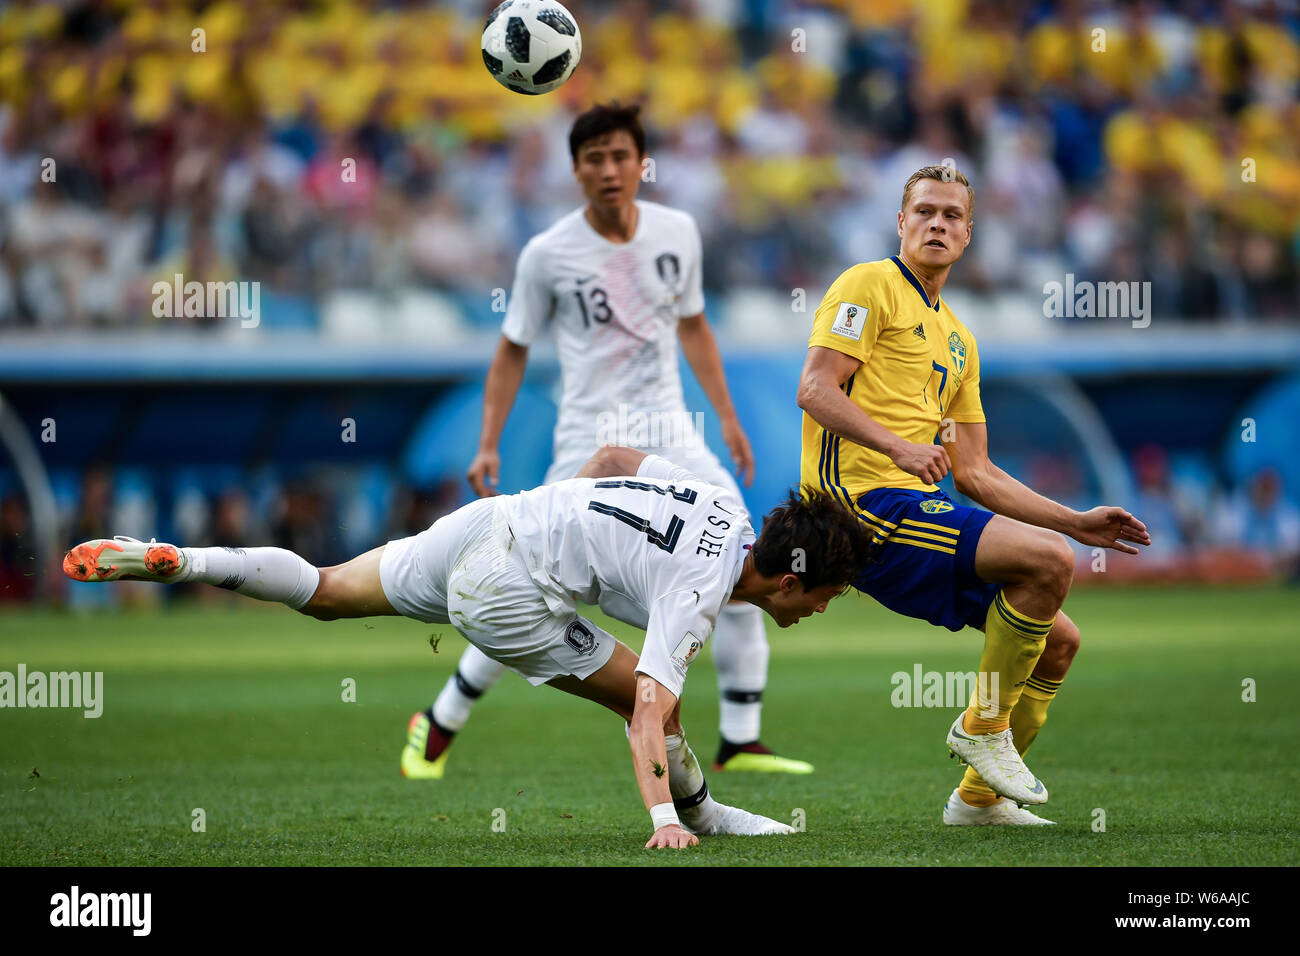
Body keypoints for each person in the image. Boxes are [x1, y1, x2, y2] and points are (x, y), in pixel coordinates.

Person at [63, 446, 873, 849]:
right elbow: (647, 714)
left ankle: (185, 560)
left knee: (327, 590)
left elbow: (622, 459)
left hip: (493, 520)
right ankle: (701, 817)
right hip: (507, 592)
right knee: (649, 698)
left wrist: (572, 503)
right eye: (831, 592)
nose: (827, 606)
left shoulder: (715, 505)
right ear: (794, 578)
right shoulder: (701, 591)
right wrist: (660, 819)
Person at [434, 101, 811, 779]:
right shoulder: (547, 255)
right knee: (529, 579)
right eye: (593, 159)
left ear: (643, 163)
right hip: (589, 434)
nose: (609, 170)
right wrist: (488, 441)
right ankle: (444, 715)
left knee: (745, 556)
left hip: (674, 434)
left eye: (620, 157)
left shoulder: (677, 233)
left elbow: (695, 326)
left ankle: (742, 737)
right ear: (575, 171)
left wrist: (726, 417)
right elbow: (512, 350)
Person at [796, 165, 1151, 825]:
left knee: (1057, 641)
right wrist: (898, 447)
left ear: (968, 235)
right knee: (1047, 564)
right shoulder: (868, 285)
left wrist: (1074, 520)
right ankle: (983, 727)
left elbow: (977, 473)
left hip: (911, 509)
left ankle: (978, 802)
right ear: (900, 223)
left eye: (951, 215)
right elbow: (815, 388)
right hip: (855, 508)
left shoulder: (959, 342)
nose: (937, 223)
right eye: (924, 211)